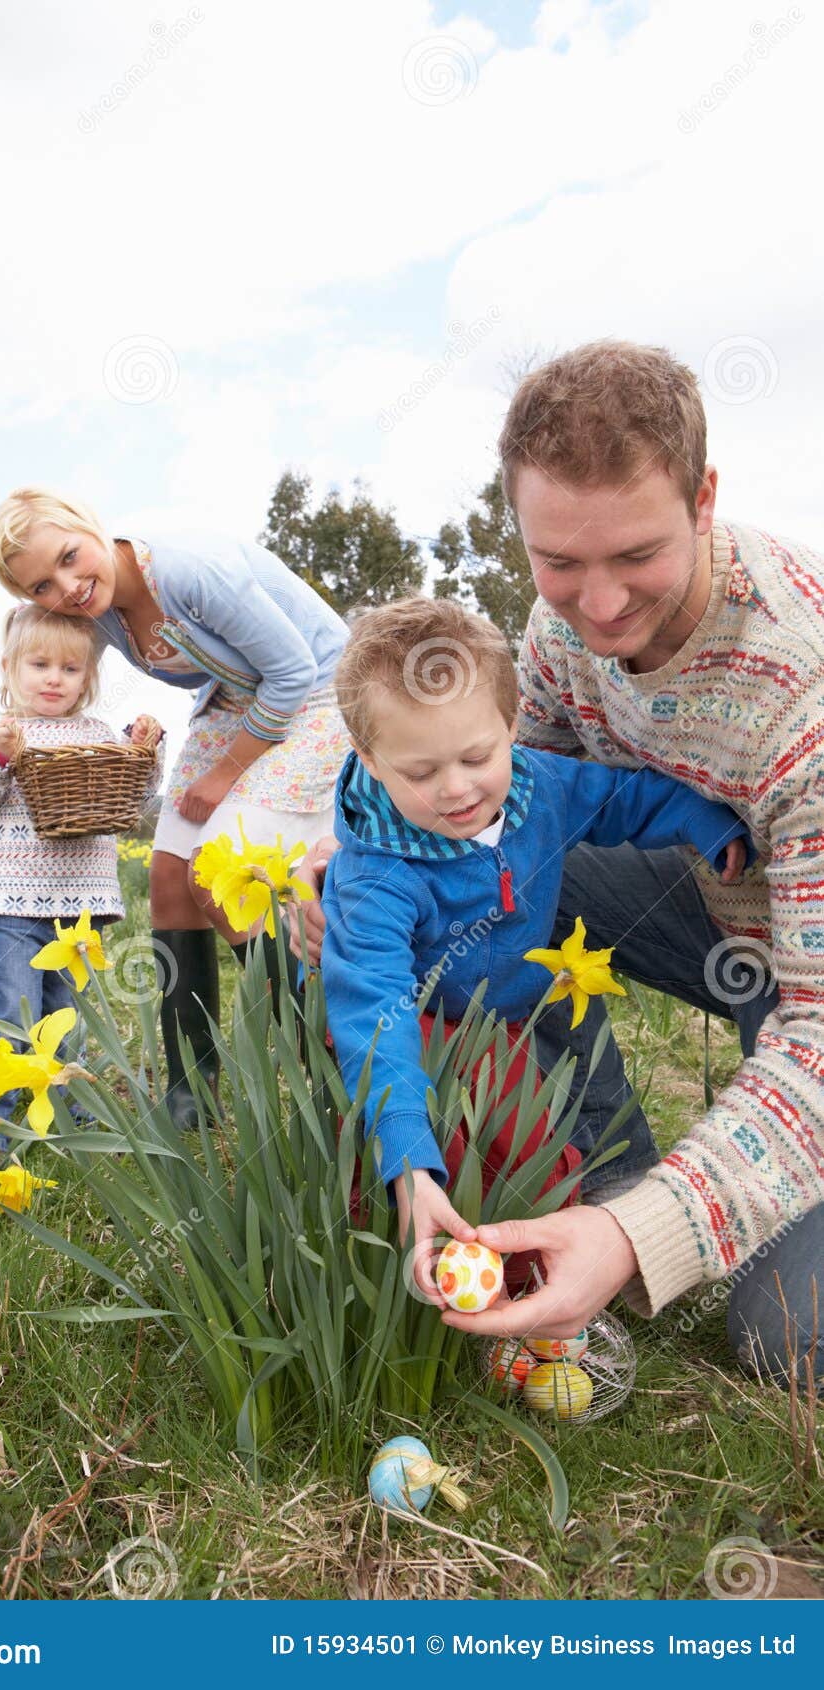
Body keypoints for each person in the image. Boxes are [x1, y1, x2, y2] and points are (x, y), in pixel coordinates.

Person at [294, 340, 824, 1386]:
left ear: (702, 494)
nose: (597, 604)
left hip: (804, 976)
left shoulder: (800, 685)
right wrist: (364, 857)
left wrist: (644, 1233)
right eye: (558, 562)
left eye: (635, 556)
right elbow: (512, 793)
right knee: (484, 885)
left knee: (787, 1334)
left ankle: (620, 1199)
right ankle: (560, 1155)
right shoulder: (555, 628)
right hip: (714, 911)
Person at [322, 596, 751, 1301]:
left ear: (511, 725)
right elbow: (372, 1008)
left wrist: (700, 821)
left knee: (562, 1116)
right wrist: (407, 1153)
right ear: (367, 759)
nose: (457, 789)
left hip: (523, 1002)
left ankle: (583, 1248)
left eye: (475, 757)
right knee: (467, 1142)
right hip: (438, 1031)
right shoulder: (374, 875)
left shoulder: (538, 785)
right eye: (420, 773)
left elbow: (622, 800)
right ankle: (448, 1253)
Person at [0, 489, 349, 1130]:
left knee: (219, 870)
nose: (68, 587)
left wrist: (224, 773)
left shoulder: (188, 572)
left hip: (321, 693)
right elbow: (44, 681)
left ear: (93, 526)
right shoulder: (91, 611)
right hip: (238, 701)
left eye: (71, 557)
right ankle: (192, 1096)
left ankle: (327, 1059)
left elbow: (293, 673)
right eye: (43, 584)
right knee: (167, 875)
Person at [0, 603, 162, 1155]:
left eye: (69, 669)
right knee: (11, 1019)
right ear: (10, 668)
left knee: (66, 1020)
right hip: (12, 903)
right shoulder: (0, 733)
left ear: (87, 677)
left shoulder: (98, 734)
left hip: (80, 909)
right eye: (39, 665)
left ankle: (70, 1112)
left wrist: (146, 749)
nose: (53, 678)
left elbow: (133, 795)